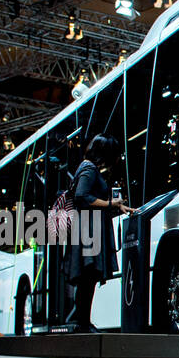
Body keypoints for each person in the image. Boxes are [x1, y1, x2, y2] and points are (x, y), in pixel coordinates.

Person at [68, 134, 128, 332]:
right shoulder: (89, 169)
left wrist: (116, 206)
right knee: (88, 277)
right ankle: (82, 323)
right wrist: (110, 203)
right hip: (89, 230)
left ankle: (83, 322)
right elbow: (82, 196)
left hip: (88, 228)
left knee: (88, 277)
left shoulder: (86, 167)